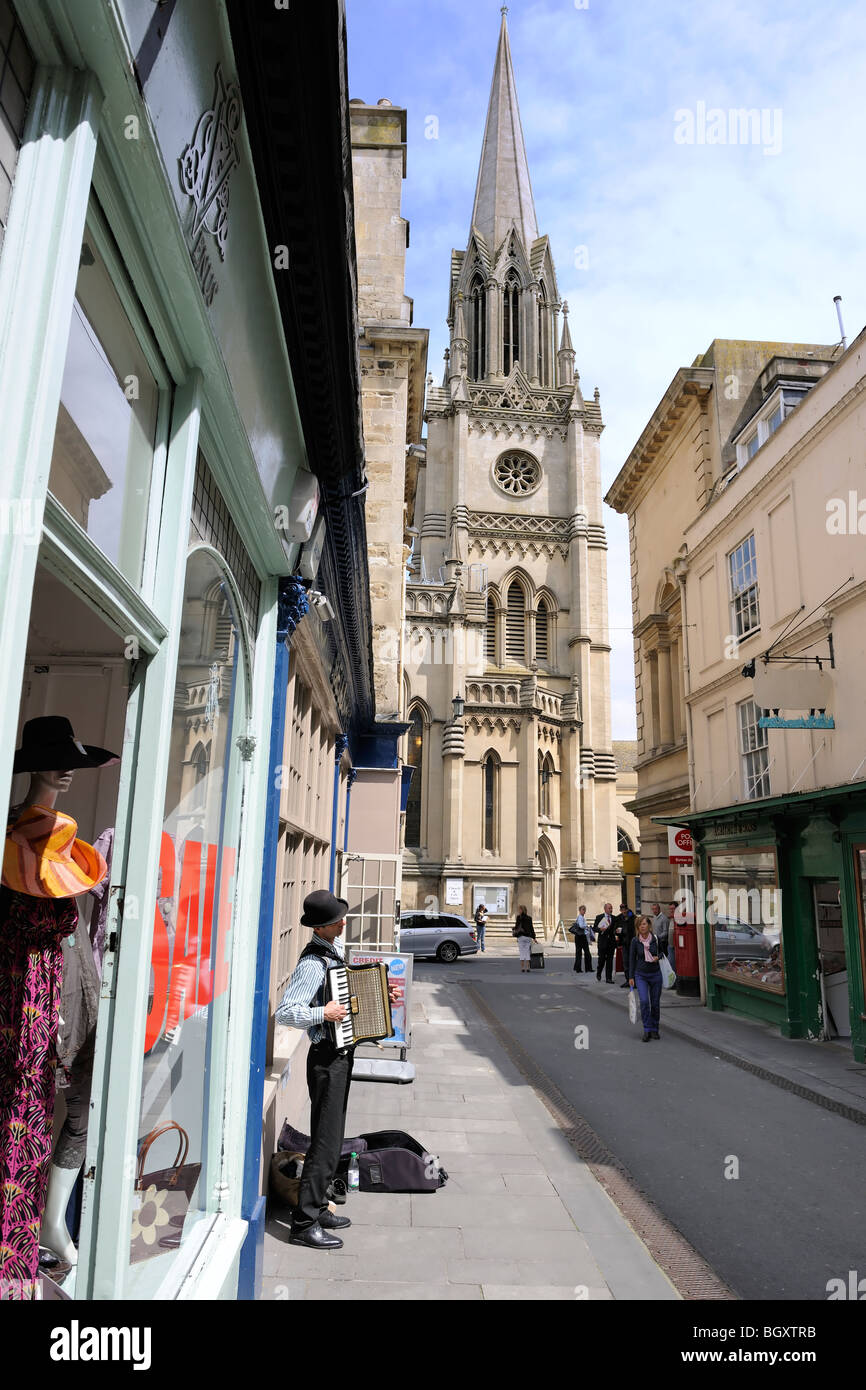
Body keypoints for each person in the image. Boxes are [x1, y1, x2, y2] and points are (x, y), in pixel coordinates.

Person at [275, 889, 401, 1250]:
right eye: (338, 919)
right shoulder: (314, 962)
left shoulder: (334, 953)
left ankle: (320, 1204)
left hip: (340, 1056)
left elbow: (348, 998)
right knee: (325, 1142)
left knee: (331, 1139)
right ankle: (303, 1223)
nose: (344, 922)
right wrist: (322, 1014)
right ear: (324, 926)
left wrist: (382, 998)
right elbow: (286, 1011)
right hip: (326, 1059)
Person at [628, 913, 663, 1041]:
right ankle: (647, 1029)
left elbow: (663, 952)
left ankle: (655, 1029)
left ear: (649, 925)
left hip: (655, 974)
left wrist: (657, 957)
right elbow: (631, 959)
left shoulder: (656, 938)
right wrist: (630, 977)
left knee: (655, 1003)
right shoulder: (635, 941)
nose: (642, 927)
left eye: (644, 924)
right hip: (640, 975)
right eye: (640, 925)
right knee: (644, 1002)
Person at [593, 903, 617, 982]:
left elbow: (615, 929)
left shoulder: (614, 918)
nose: (611, 910)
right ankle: (599, 972)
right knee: (602, 960)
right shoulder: (599, 917)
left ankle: (608, 978)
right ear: (605, 909)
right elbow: (594, 928)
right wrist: (600, 929)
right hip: (602, 942)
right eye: (609, 908)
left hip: (611, 943)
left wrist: (617, 931)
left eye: (611, 908)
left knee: (610, 961)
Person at [616, 902, 636, 986]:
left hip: (632, 942)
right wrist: (616, 932)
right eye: (622, 910)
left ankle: (634, 980)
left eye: (625, 910)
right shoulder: (619, 918)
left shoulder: (633, 918)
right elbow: (615, 929)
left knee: (633, 962)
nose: (623, 912)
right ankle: (628, 980)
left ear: (627, 909)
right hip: (624, 943)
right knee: (625, 962)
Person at [569, 904, 593, 973]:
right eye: (583, 909)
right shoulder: (580, 917)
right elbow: (581, 926)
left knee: (585, 952)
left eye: (584, 910)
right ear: (579, 910)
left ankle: (583, 968)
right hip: (580, 936)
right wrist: (586, 926)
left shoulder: (582, 917)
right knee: (581, 953)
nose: (584, 911)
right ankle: (581, 968)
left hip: (582, 936)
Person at [513, 904, 536, 972]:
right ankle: (528, 967)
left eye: (519, 909)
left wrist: (514, 929)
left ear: (521, 910)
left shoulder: (519, 917)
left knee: (522, 952)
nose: (518, 911)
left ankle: (523, 968)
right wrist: (534, 937)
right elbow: (531, 928)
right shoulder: (529, 918)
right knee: (527, 952)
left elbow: (517, 927)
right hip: (528, 937)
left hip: (521, 936)